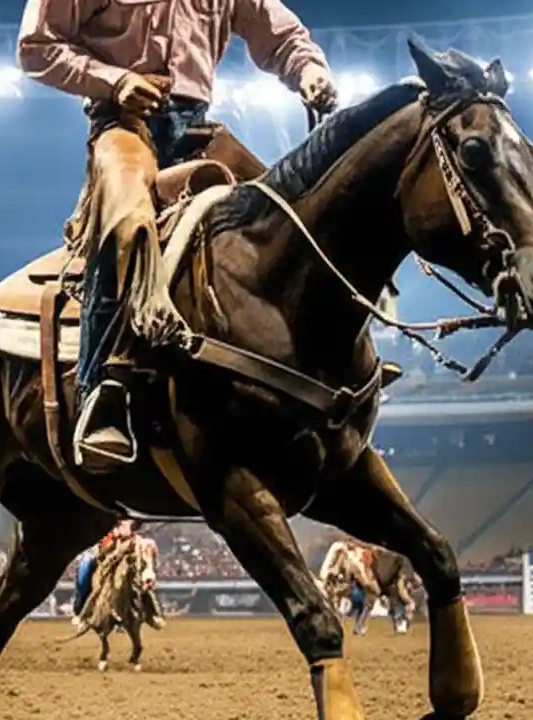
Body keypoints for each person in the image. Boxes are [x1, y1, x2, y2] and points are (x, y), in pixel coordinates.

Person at [18, 0, 338, 468]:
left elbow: (281, 34)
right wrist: (116, 80)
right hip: (121, 125)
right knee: (127, 220)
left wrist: (309, 70)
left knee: (285, 216)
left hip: (198, 128)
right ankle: (102, 390)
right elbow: (37, 47)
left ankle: (324, 361)